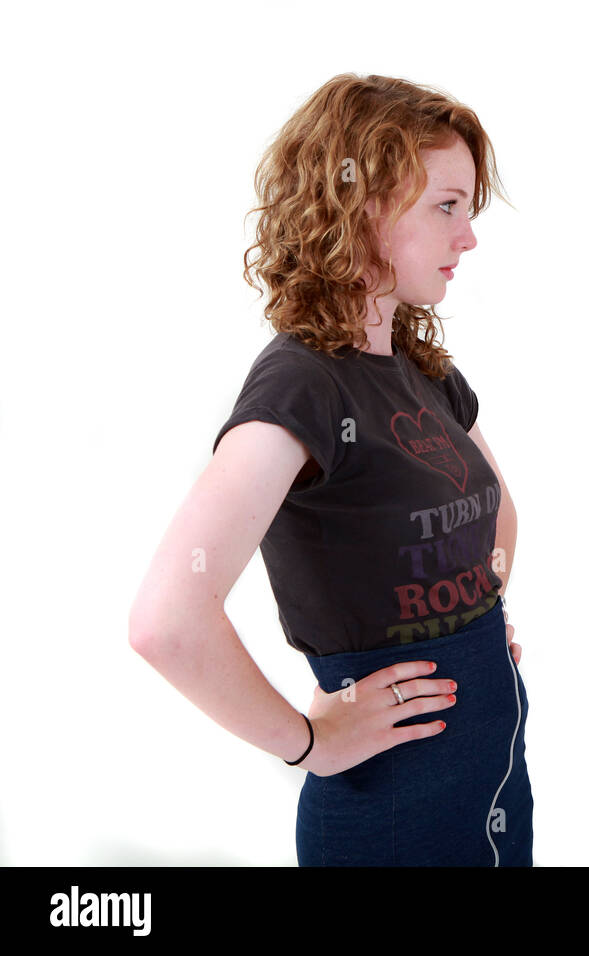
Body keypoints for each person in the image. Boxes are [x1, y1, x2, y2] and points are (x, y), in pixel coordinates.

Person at [128, 73, 533, 866]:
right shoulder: (302, 383)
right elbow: (166, 620)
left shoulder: (422, 367)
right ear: (363, 206)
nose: (469, 237)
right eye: (446, 207)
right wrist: (307, 741)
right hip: (391, 814)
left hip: (492, 785)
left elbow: (499, 513)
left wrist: (474, 618)